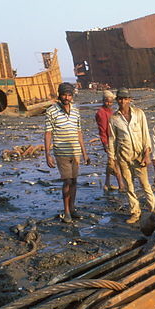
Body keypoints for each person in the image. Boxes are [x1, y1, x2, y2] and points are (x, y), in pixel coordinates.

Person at [108, 88, 155, 224]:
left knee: (145, 184)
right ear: (117, 100)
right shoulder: (114, 118)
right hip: (123, 156)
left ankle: (154, 210)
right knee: (129, 185)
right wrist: (112, 159)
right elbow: (112, 139)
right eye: (120, 99)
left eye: (125, 99)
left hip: (140, 156)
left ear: (130, 100)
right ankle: (135, 212)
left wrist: (147, 155)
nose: (123, 101)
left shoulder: (139, 114)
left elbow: (145, 134)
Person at [44, 82, 89, 223]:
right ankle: (67, 211)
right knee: (67, 181)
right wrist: (47, 154)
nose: (67, 97)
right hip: (61, 152)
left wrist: (84, 152)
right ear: (59, 95)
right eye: (64, 94)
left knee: (74, 181)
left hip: (75, 151)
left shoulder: (76, 111)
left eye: (69, 95)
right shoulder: (51, 111)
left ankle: (73, 207)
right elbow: (48, 133)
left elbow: (79, 132)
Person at [93, 90, 125, 192]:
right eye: (107, 101)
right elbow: (102, 130)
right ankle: (121, 184)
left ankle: (107, 183)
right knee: (115, 163)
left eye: (111, 102)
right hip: (108, 141)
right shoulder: (101, 113)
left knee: (111, 162)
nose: (109, 103)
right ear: (103, 101)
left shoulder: (111, 112)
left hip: (114, 140)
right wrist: (105, 143)